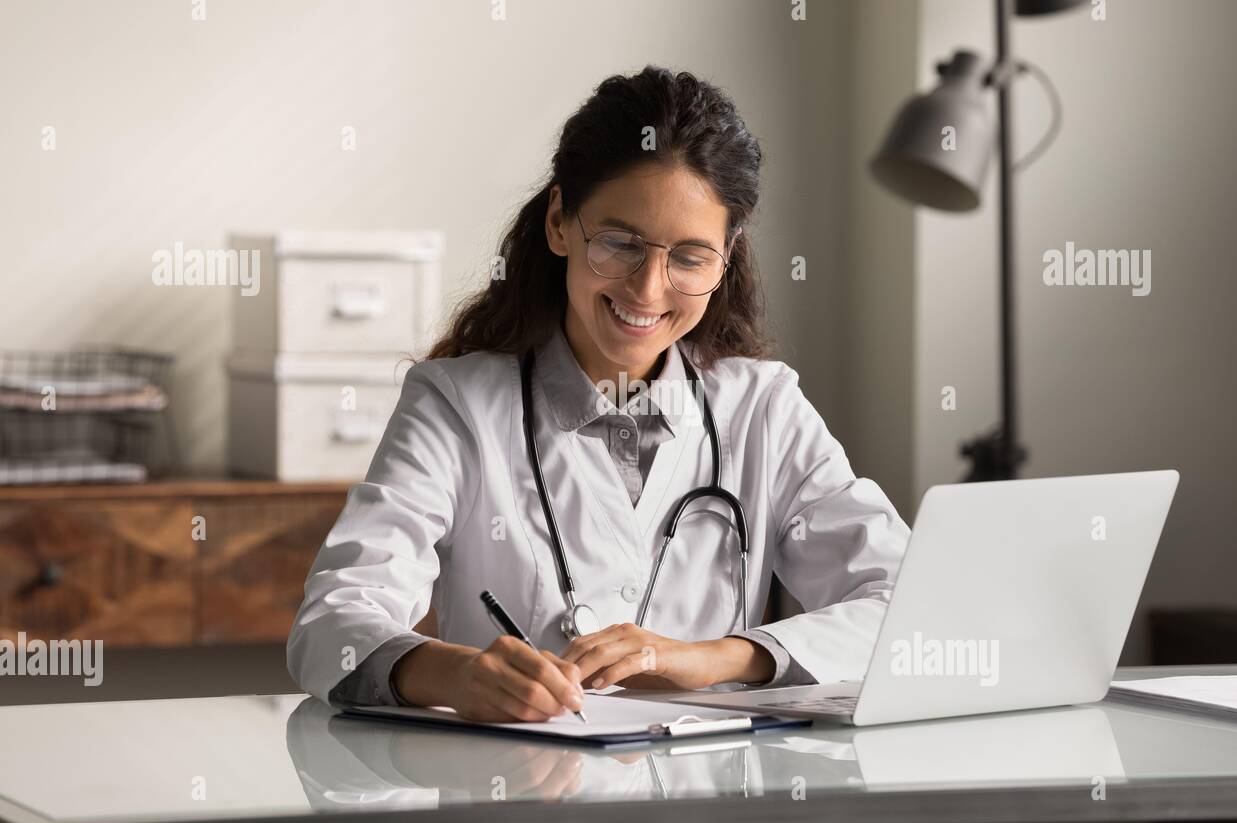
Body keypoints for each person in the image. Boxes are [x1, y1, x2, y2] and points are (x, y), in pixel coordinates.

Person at [286, 65, 910, 722]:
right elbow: (332, 625)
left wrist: (712, 658)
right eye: (619, 243)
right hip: (519, 803)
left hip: (709, 811)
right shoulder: (457, 404)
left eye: (690, 257)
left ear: (726, 257)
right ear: (560, 221)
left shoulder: (764, 408)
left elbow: (908, 608)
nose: (647, 289)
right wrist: (458, 674)